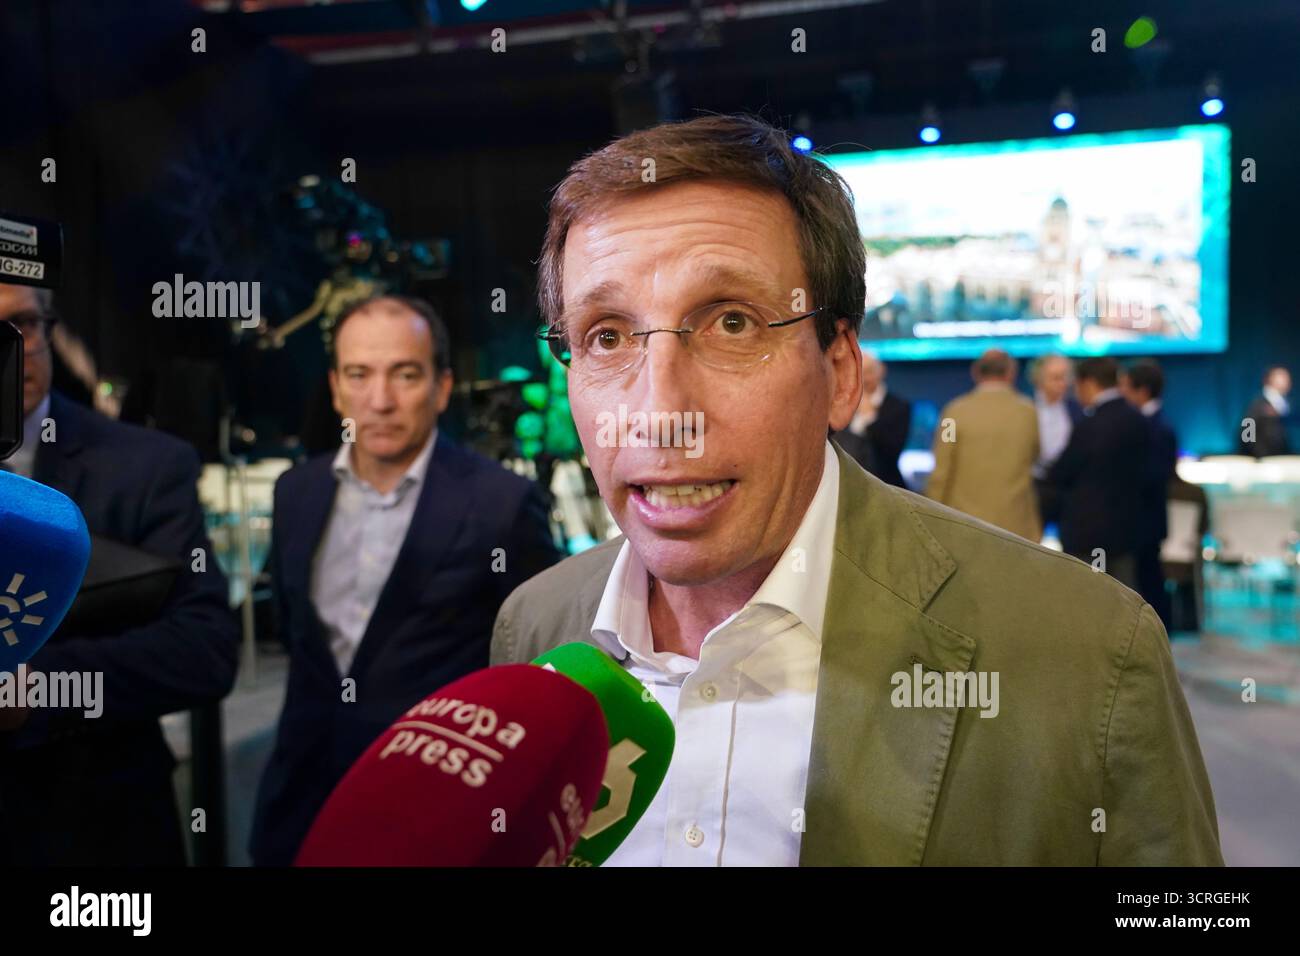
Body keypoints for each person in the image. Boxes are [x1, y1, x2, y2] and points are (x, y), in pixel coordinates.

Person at [491, 115, 1221, 865]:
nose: (661, 414)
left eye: (732, 323)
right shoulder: (534, 627)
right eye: (607, 336)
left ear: (839, 373)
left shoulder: (1087, 652)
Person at [249, 294, 561, 866]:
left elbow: (545, 664)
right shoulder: (296, 492)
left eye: (405, 374)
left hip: (437, 815)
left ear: (442, 388)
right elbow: (303, 641)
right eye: (359, 375)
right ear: (337, 388)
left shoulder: (502, 504)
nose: (381, 400)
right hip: (300, 803)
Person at [0, 283, 240, 865]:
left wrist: (33, 692)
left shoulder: (146, 465)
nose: (10, 352)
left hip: (94, 834)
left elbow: (204, 648)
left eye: (23, 327)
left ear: (49, 331)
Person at [1047, 356, 1150, 590]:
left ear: (1089, 383)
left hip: (1087, 534)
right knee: (1126, 602)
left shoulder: (1089, 425)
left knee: (1087, 602)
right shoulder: (1138, 420)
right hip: (1127, 532)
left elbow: (1062, 472)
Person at [926, 349, 1041, 542]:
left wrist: (931, 518)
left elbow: (941, 470)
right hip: (1017, 529)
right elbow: (1034, 455)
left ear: (975, 373)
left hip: (965, 526)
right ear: (1011, 373)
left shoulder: (954, 412)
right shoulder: (1028, 412)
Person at [1121, 360, 1178, 631]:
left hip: (1146, 521)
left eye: (1126, 388)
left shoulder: (1157, 428)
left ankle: (1160, 636)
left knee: (1150, 583)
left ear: (1141, 391)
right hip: (1143, 521)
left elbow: (1156, 475)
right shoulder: (1150, 424)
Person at [833, 348, 911, 487]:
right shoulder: (842, 403)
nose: (864, 378)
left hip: (886, 485)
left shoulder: (898, 406)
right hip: (847, 483)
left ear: (881, 371)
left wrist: (869, 418)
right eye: (860, 373)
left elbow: (892, 450)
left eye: (868, 372)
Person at [1029, 352, 1084, 526]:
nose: (1063, 383)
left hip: (1069, 489)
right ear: (1039, 379)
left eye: (1066, 377)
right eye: (1056, 378)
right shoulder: (1026, 410)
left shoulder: (1077, 409)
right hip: (1034, 487)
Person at [1238, 365, 1292, 457]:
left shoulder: (1282, 405)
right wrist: (1258, 454)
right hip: (1263, 461)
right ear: (1270, 380)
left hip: (1281, 458)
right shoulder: (1257, 404)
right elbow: (1246, 431)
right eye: (1282, 378)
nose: (1287, 382)